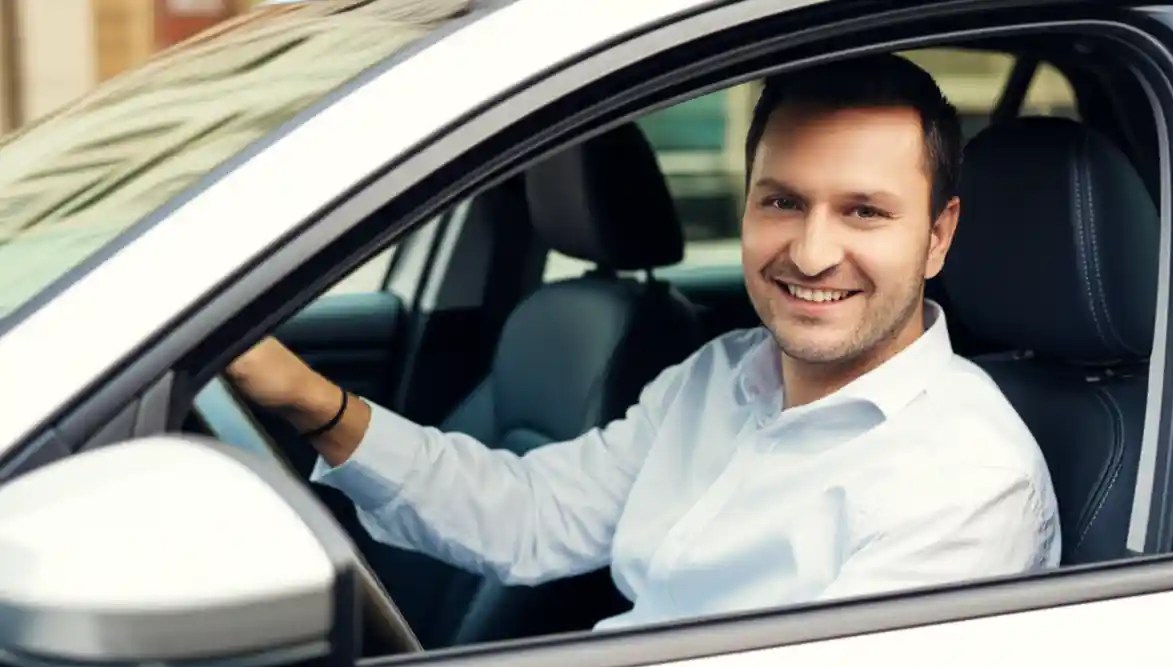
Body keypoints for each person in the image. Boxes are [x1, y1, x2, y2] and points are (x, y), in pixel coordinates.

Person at [228, 54, 1061, 630]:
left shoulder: (966, 486)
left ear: (938, 236)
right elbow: (533, 515)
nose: (811, 254)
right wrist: (313, 403)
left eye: (864, 212)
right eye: (782, 202)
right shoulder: (719, 373)